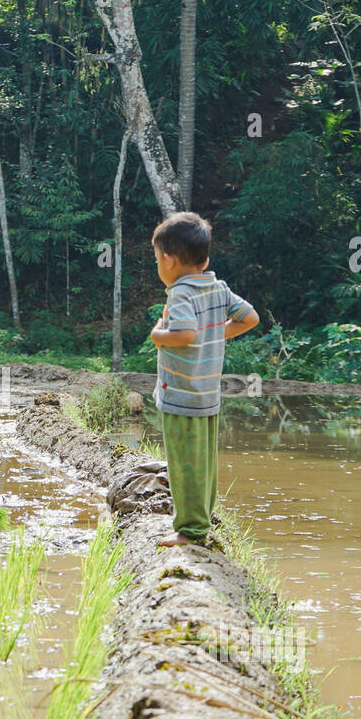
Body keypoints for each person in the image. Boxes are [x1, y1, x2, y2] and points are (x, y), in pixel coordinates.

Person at [147, 212, 259, 547]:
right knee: (203, 463)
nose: (158, 265)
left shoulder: (180, 293)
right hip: (207, 395)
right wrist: (216, 334)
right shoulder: (217, 287)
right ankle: (201, 521)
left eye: (156, 259)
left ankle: (190, 530)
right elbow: (250, 317)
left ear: (169, 260)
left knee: (183, 465)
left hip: (182, 395)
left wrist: (158, 335)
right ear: (205, 258)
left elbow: (183, 334)